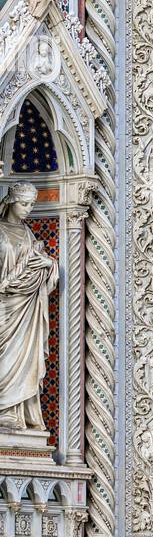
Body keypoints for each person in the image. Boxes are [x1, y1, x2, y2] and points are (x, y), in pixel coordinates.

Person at [0, 181, 58, 431]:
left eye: (32, 205)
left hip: (26, 308)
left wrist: (48, 265)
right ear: (11, 201)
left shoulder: (28, 233)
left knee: (22, 359)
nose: (28, 209)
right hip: (4, 306)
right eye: (24, 204)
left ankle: (14, 413)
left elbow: (39, 267)